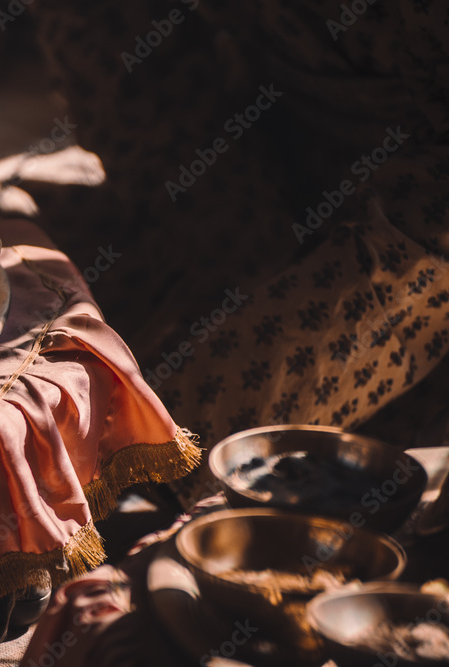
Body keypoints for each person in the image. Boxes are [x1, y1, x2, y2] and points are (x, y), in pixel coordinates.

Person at [34, 0, 449, 505]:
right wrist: (234, 248)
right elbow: (119, 51)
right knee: (3, 269)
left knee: (163, 451)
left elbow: (428, 229)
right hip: (266, 156)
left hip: (420, 234)